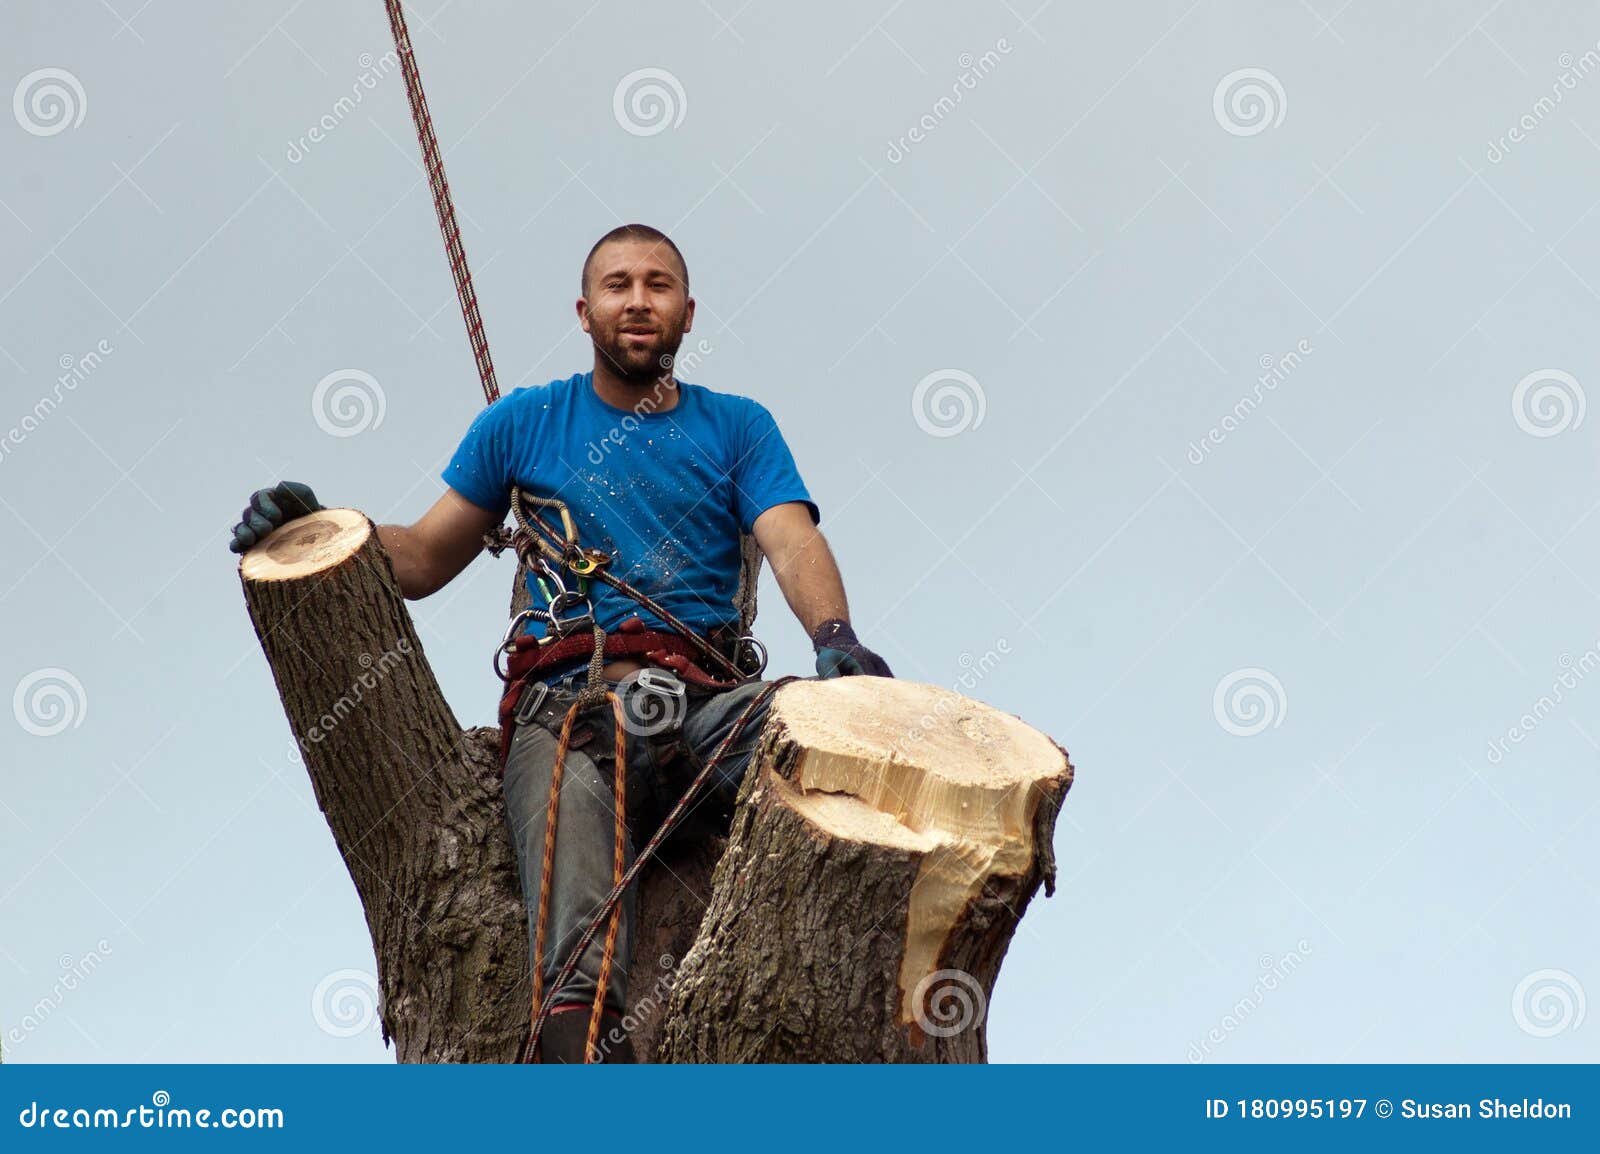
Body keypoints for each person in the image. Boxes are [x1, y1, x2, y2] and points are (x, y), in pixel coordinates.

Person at [228, 223, 892, 1063]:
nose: (639, 301)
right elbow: (427, 556)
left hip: (705, 704)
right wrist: (328, 525)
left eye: (658, 286)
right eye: (619, 286)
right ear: (585, 312)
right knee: (577, 953)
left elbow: (790, 539)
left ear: (689, 313)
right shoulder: (525, 423)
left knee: (838, 745)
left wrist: (836, 641)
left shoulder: (738, 428)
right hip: (571, 712)